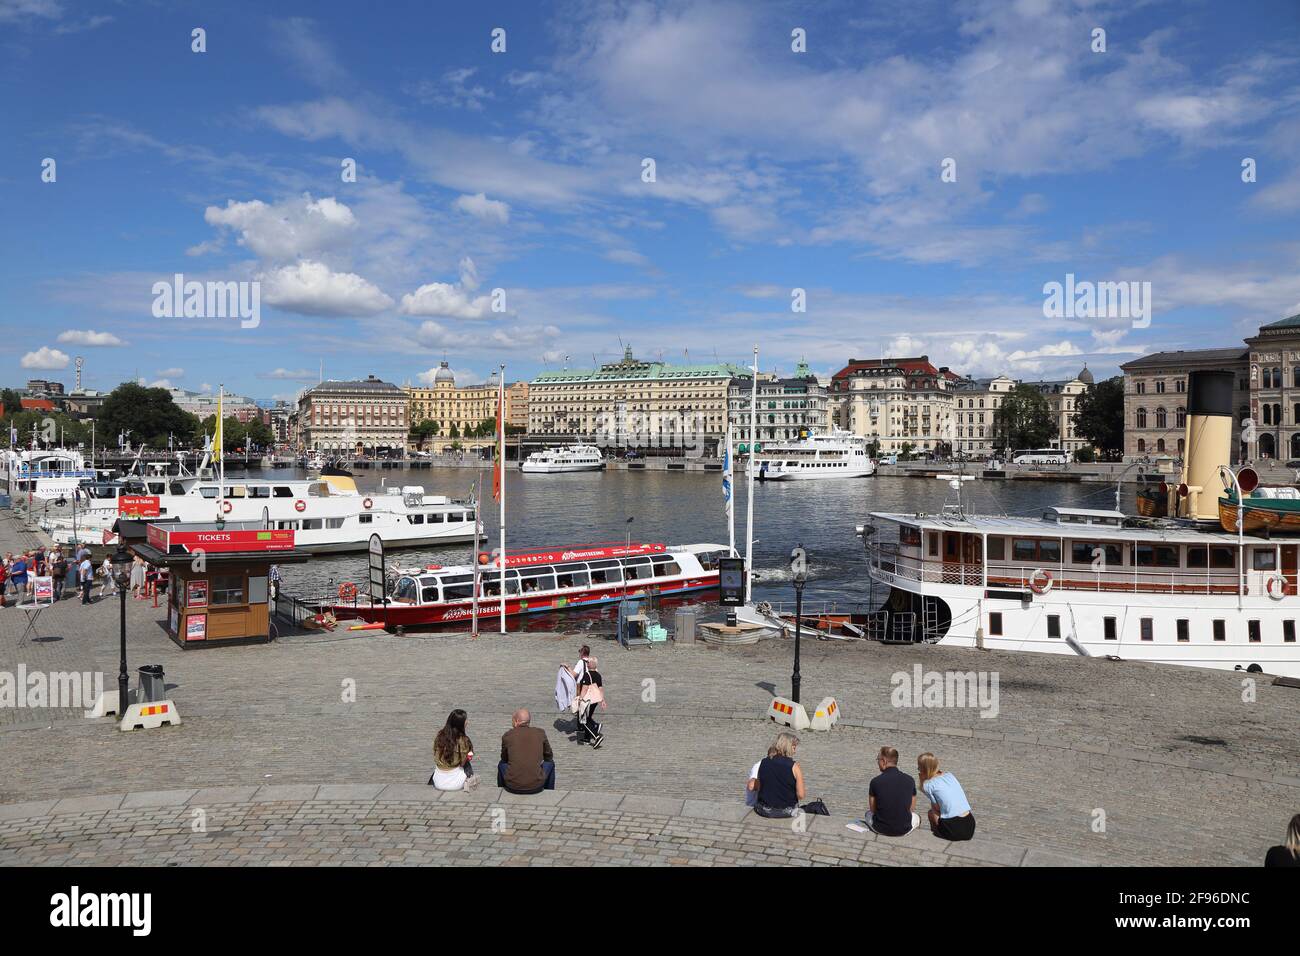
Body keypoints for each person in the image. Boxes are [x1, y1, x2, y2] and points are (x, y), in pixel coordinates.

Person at [917, 752, 975, 841]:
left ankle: (938, 832)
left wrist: (921, 781)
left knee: (931, 812)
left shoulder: (928, 785)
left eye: (919, 768)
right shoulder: (949, 775)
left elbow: (937, 808)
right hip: (969, 824)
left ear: (923, 770)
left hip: (953, 829)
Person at [865, 745, 920, 836]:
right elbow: (911, 808)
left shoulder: (875, 781)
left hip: (880, 828)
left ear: (884, 761)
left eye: (878, 759)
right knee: (917, 817)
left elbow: (873, 809)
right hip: (904, 829)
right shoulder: (910, 780)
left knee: (867, 814)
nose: (878, 762)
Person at [497, 708, 555, 794]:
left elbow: (504, 758)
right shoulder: (540, 733)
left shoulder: (508, 735)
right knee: (550, 763)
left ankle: (501, 790)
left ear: (516, 721)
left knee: (501, 764)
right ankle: (549, 792)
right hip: (536, 785)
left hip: (513, 785)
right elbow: (549, 755)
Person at [748, 732, 805, 818]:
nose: (795, 751)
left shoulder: (764, 762)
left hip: (764, 810)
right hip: (787, 811)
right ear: (788, 747)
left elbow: (759, 787)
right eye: (794, 747)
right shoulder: (794, 767)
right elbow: (801, 795)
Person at [430, 709, 479, 791]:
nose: (467, 722)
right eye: (466, 720)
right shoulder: (463, 740)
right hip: (455, 783)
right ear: (460, 724)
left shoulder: (439, 736)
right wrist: (469, 755)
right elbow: (463, 763)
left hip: (438, 782)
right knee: (467, 762)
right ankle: (469, 780)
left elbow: (436, 755)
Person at [575, 655, 606, 748]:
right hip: (595, 700)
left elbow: (584, 688)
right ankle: (587, 737)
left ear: (590, 664)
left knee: (583, 720)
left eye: (588, 662)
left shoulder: (587, 675)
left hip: (587, 700)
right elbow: (600, 688)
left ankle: (596, 736)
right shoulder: (598, 675)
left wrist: (580, 699)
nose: (587, 664)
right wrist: (602, 700)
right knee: (588, 717)